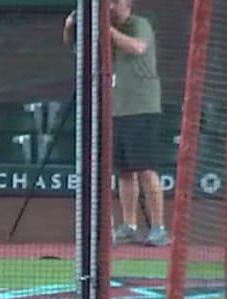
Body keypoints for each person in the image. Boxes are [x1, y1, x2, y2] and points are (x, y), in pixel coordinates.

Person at [65, 0, 168, 247]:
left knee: (146, 169)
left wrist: (105, 28)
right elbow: (74, 46)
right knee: (123, 171)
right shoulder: (104, 31)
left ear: (127, 4)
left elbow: (137, 48)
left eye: (116, 2)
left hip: (142, 108)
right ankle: (130, 226)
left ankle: (159, 228)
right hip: (114, 110)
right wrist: (71, 24)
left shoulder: (138, 25)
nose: (111, 7)